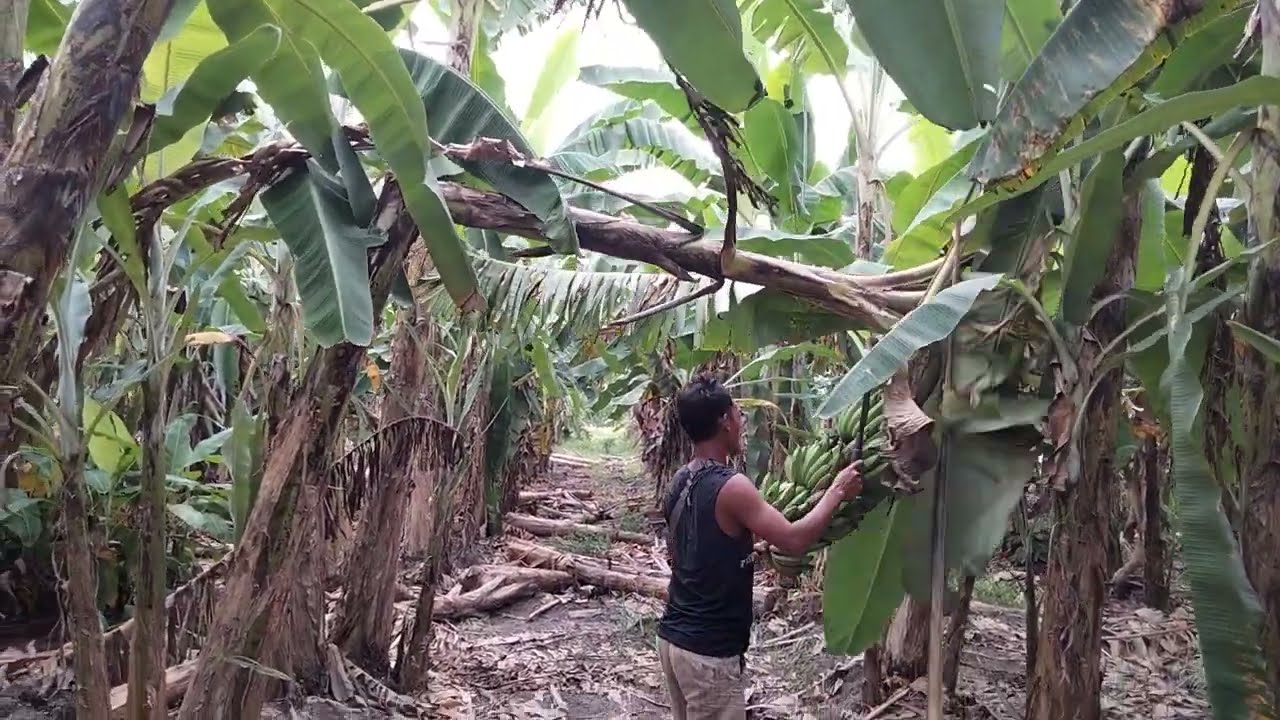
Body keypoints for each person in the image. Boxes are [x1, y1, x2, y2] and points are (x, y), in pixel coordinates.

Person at [656, 374, 863, 720]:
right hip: (709, 655)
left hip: (674, 643)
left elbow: (691, 553)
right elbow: (796, 540)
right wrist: (837, 491)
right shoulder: (732, 487)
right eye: (738, 413)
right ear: (724, 421)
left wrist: (748, 551)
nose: (742, 422)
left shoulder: (681, 480)